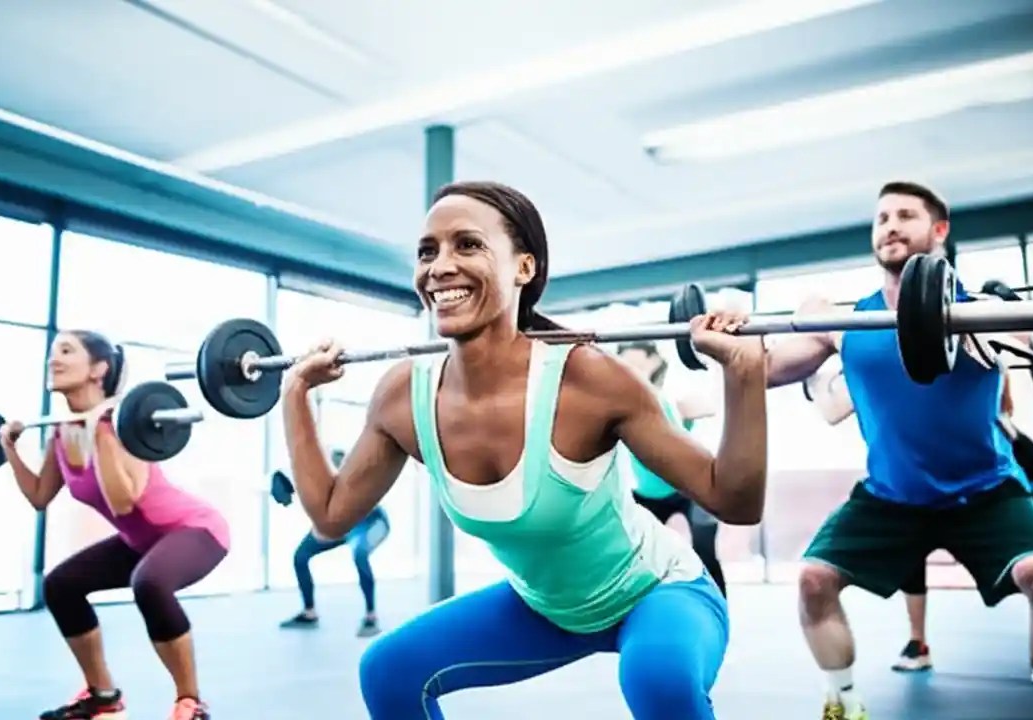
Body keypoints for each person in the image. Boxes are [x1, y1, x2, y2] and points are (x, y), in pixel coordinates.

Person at [281, 180, 769, 719]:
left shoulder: (588, 382)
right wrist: (294, 392)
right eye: (428, 250)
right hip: (546, 607)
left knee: (657, 678)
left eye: (468, 245)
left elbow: (735, 500)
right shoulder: (404, 397)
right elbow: (330, 516)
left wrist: (743, 374)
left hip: (658, 592)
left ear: (524, 268)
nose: (440, 266)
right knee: (388, 671)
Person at [766, 181, 1033, 720]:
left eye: (906, 216)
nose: (890, 226)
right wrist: (722, 338)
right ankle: (843, 702)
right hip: (890, 497)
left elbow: (1026, 337)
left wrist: (990, 328)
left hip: (986, 493)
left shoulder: (981, 311)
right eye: (882, 218)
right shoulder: (848, 324)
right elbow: (765, 368)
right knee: (814, 580)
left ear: (938, 231)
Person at [0, 331, 230, 720]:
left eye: (66, 351)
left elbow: (123, 501)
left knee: (150, 583)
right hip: (140, 540)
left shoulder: (123, 425)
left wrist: (102, 432)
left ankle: (190, 702)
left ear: (98, 370)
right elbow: (39, 496)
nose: (52, 360)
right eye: (52, 352)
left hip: (196, 530)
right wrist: (10, 449)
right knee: (60, 586)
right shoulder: (61, 431)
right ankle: (102, 695)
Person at [804, 364, 1033, 675]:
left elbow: (1002, 379)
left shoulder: (974, 376)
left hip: (1010, 482)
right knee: (909, 557)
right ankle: (918, 642)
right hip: (917, 493)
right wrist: (816, 380)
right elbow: (834, 409)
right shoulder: (878, 371)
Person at [615, 341, 728, 597]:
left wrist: (719, 363)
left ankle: (716, 606)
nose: (629, 370)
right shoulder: (618, 408)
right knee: (638, 558)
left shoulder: (669, 401)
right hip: (648, 493)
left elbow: (711, 405)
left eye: (636, 364)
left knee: (705, 551)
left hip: (690, 491)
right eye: (624, 365)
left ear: (654, 362)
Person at [279, 448, 391, 637]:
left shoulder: (356, 478)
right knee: (301, 556)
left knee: (360, 555)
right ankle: (309, 613)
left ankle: (371, 616)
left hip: (369, 523)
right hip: (340, 523)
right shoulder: (314, 481)